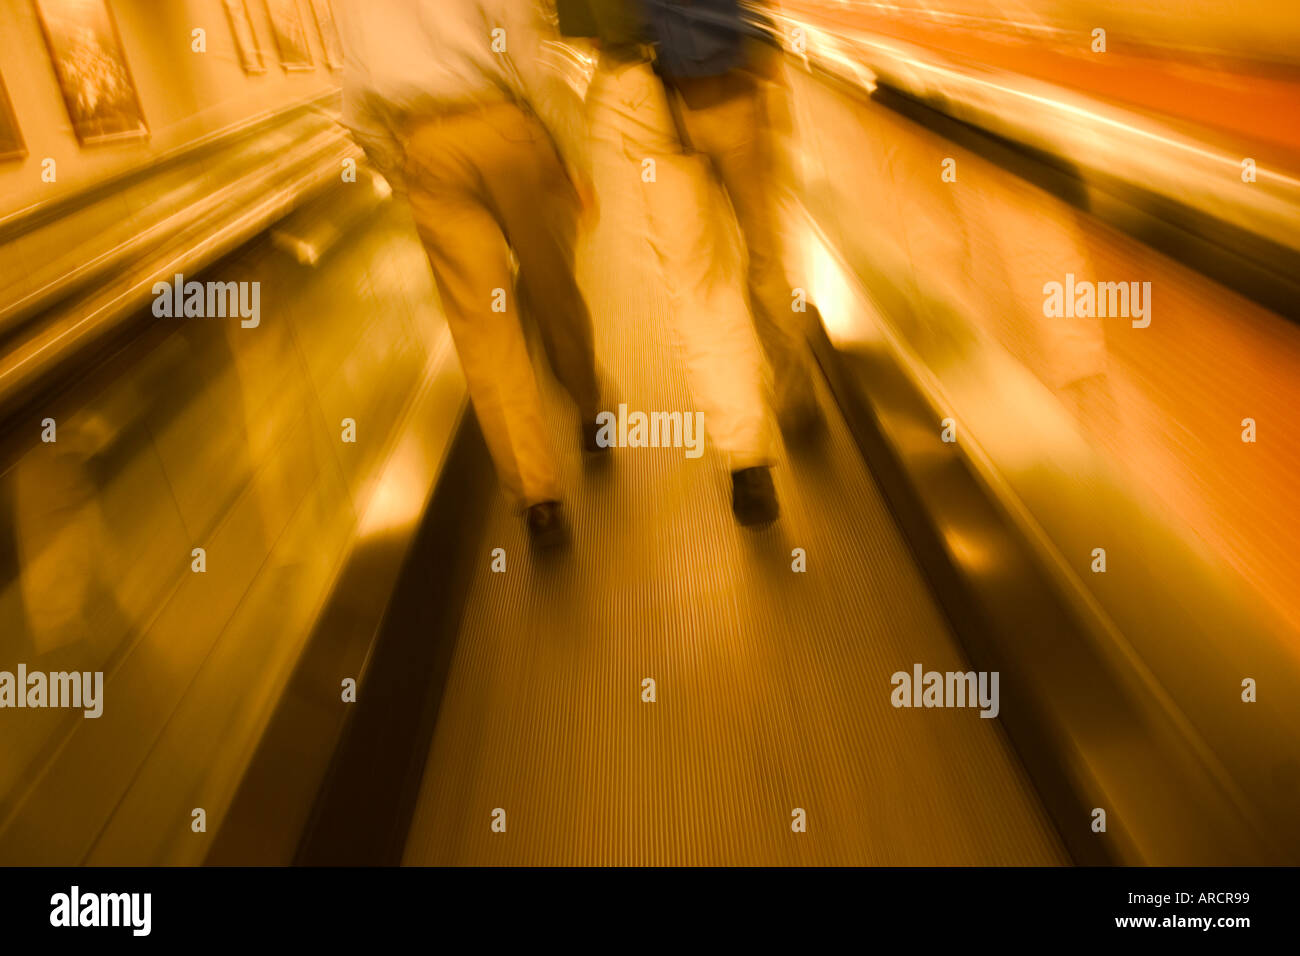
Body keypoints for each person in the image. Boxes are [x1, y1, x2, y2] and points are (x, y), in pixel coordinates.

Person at [335, 0, 604, 548]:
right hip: (506, 126)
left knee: (485, 330)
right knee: (554, 289)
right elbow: (526, 54)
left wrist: (402, 168)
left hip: (425, 148)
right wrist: (571, 154)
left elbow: (357, 99)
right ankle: (591, 410)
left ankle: (539, 500)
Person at [559, 0, 822, 527]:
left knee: (697, 279)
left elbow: (584, 28)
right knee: (764, 248)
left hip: (637, 95)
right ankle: (796, 396)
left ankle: (748, 462)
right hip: (727, 81)